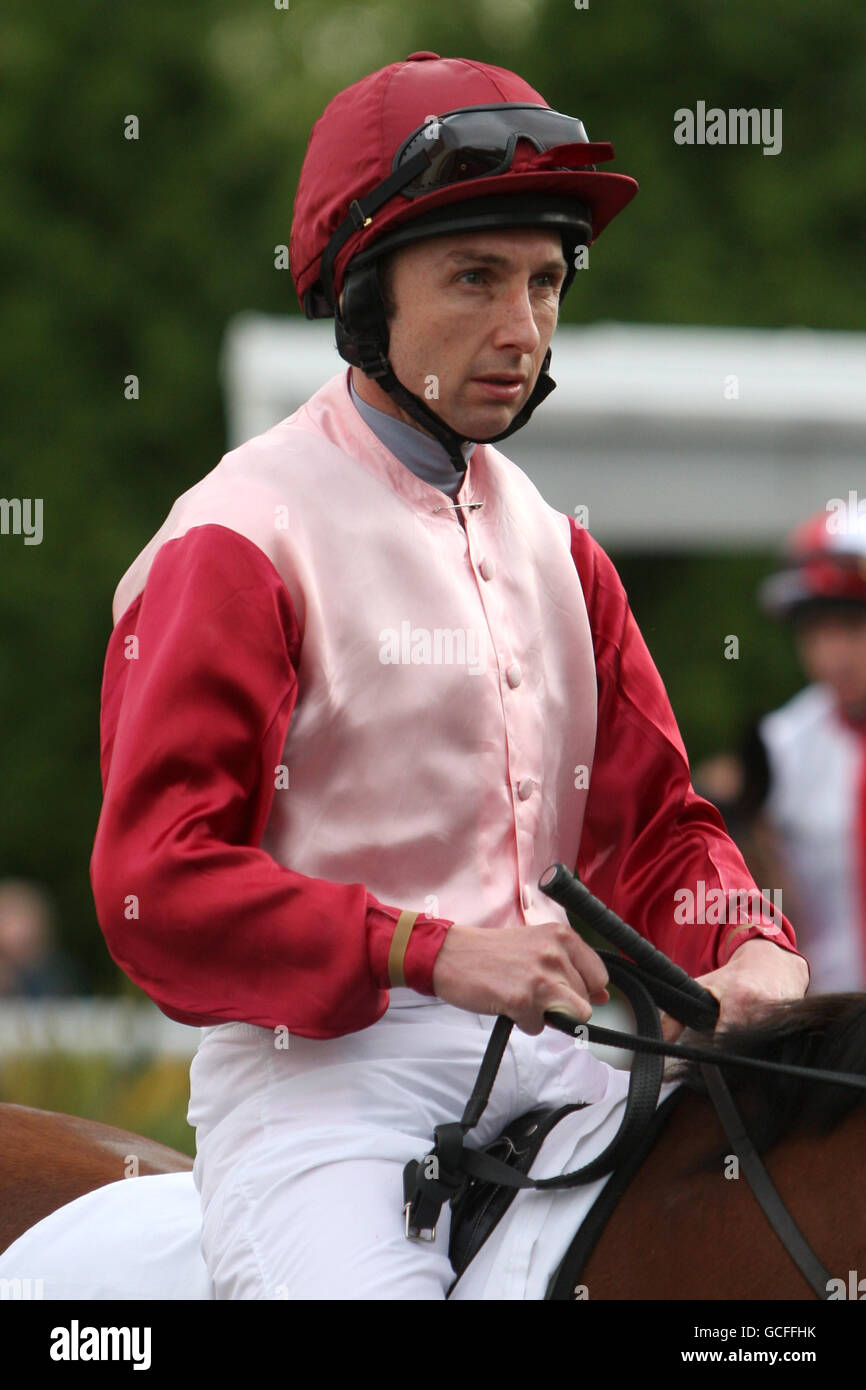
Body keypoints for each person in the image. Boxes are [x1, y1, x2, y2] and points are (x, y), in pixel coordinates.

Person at [90, 52, 808, 1300]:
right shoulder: (234, 537)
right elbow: (154, 881)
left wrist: (747, 942)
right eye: (474, 279)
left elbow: (658, 830)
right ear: (363, 294)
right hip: (325, 1092)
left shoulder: (559, 546)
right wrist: (426, 950)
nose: (521, 330)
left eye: (542, 283)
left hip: (570, 1059)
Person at [754, 506, 866, 991]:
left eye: (851, 625)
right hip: (830, 1044)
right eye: (814, 630)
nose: (831, 654)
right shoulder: (780, 748)